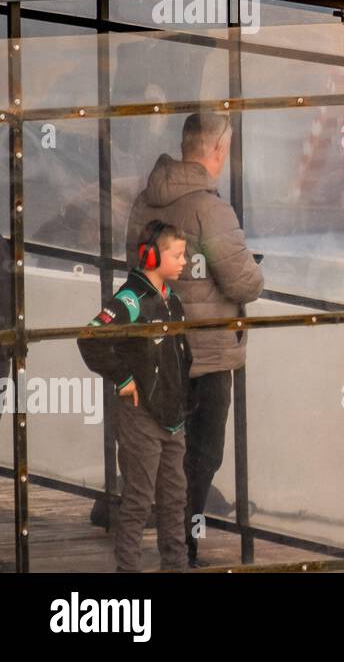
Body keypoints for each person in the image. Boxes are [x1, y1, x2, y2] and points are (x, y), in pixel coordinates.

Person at [126, 112, 264, 567]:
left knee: (166, 453)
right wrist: (254, 270)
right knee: (202, 456)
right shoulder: (210, 208)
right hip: (204, 356)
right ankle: (181, 548)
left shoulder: (146, 201)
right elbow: (244, 283)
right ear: (218, 150)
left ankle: (170, 546)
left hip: (156, 352)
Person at [78, 221, 191, 572]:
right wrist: (123, 377)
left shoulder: (172, 300)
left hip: (172, 416)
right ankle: (128, 568)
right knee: (139, 500)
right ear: (152, 256)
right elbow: (89, 338)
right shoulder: (130, 299)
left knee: (174, 498)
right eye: (177, 254)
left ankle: (176, 563)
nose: (185, 261)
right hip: (141, 415)